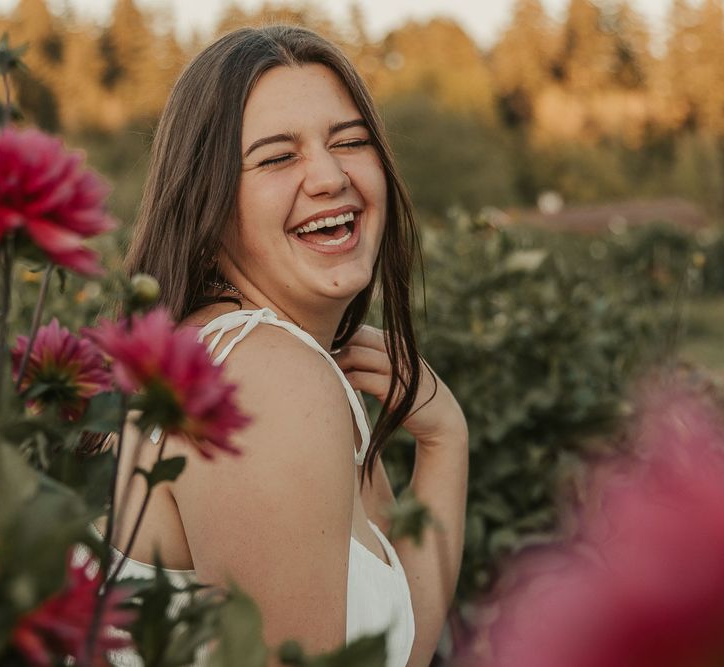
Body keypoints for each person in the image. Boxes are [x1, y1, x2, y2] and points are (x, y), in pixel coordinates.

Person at [97, 25, 468, 667]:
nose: (329, 176)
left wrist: (444, 440)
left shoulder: (279, 365)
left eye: (350, 141)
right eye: (276, 157)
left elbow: (398, 646)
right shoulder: (264, 379)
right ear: (206, 201)